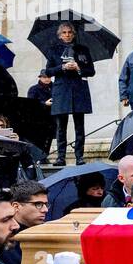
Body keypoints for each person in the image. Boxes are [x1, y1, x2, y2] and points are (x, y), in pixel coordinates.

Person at [45, 22, 96, 165]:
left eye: (69, 32)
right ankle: (61, 157)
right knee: (61, 126)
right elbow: (48, 71)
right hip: (61, 90)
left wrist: (78, 68)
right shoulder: (53, 50)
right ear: (60, 35)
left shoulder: (82, 49)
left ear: (73, 34)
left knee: (79, 126)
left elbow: (91, 71)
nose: (67, 35)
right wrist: (62, 67)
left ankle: (79, 156)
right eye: (64, 33)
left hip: (79, 90)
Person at [27, 71, 55, 162]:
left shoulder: (55, 87)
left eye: (48, 77)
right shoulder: (34, 89)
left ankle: (44, 156)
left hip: (52, 117)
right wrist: (44, 103)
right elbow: (30, 104)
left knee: (49, 138)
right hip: (38, 118)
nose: (47, 79)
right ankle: (40, 157)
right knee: (39, 139)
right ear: (40, 77)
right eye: (44, 77)